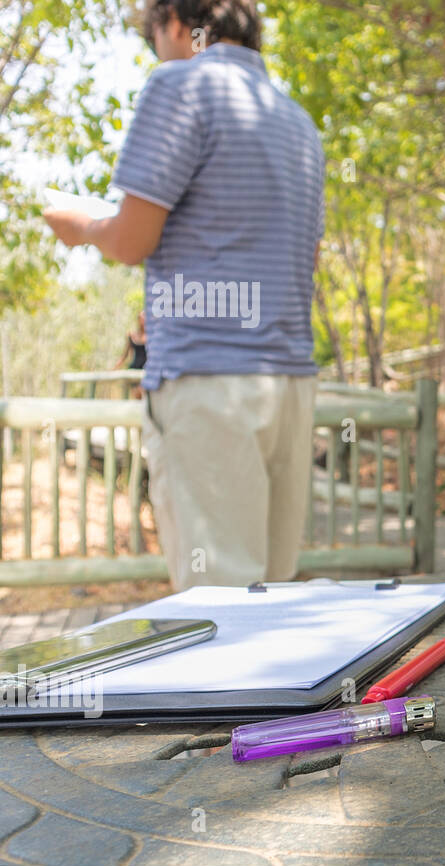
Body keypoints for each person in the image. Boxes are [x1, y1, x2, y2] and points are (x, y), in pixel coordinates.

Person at [42, 0, 325, 589]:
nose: (158, 53)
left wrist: (82, 227)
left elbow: (131, 240)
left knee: (219, 606)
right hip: (290, 384)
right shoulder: (297, 120)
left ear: (176, 21)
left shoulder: (178, 84)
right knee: (273, 596)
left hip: (207, 384)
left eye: (155, 38)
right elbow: (299, 258)